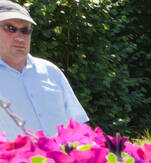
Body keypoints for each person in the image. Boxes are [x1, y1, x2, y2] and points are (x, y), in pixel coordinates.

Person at [0, 2, 89, 141]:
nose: (19, 37)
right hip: (13, 162)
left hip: (59, 160)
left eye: (25, 30)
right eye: (10, 28)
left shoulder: (50, 71)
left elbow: (77, 127)